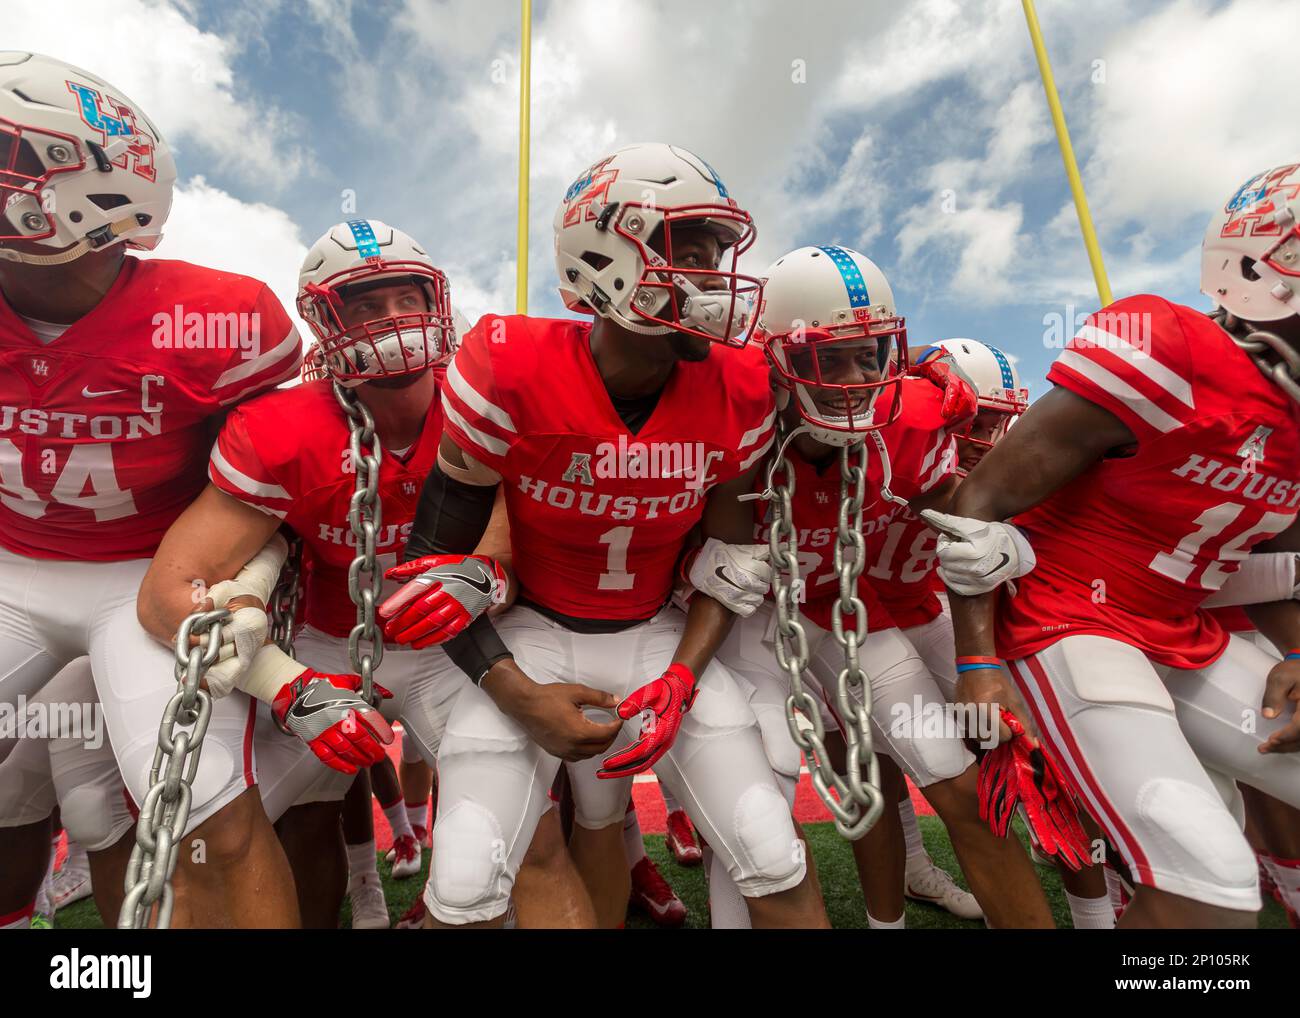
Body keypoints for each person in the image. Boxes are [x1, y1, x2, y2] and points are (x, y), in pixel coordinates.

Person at [383, 142, 828, 928]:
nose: (715, 280)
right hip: (532, 638)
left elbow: (730, 566)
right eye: (688, 254)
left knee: (770, 848)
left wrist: (684, 678)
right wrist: (517, 696)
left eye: (717, 254)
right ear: (604, 254)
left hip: (659, 636)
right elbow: (433, 567)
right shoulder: (510, 366)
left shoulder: (741, 386)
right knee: (463, 878)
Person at [928, 162, 1300, 928]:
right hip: (1072, 620)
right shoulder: (1170, 345)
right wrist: (976, 663)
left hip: (1185, 630)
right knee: (1214, 882)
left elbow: (1279, 566)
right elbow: (979, 505)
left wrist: (1297, 657)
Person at [0, 52, 302, 928]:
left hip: (150, 576)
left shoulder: (216, 319)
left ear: (91, 191)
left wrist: (241, 580)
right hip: (13, 566)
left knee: (209, 818)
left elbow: (261, 483)